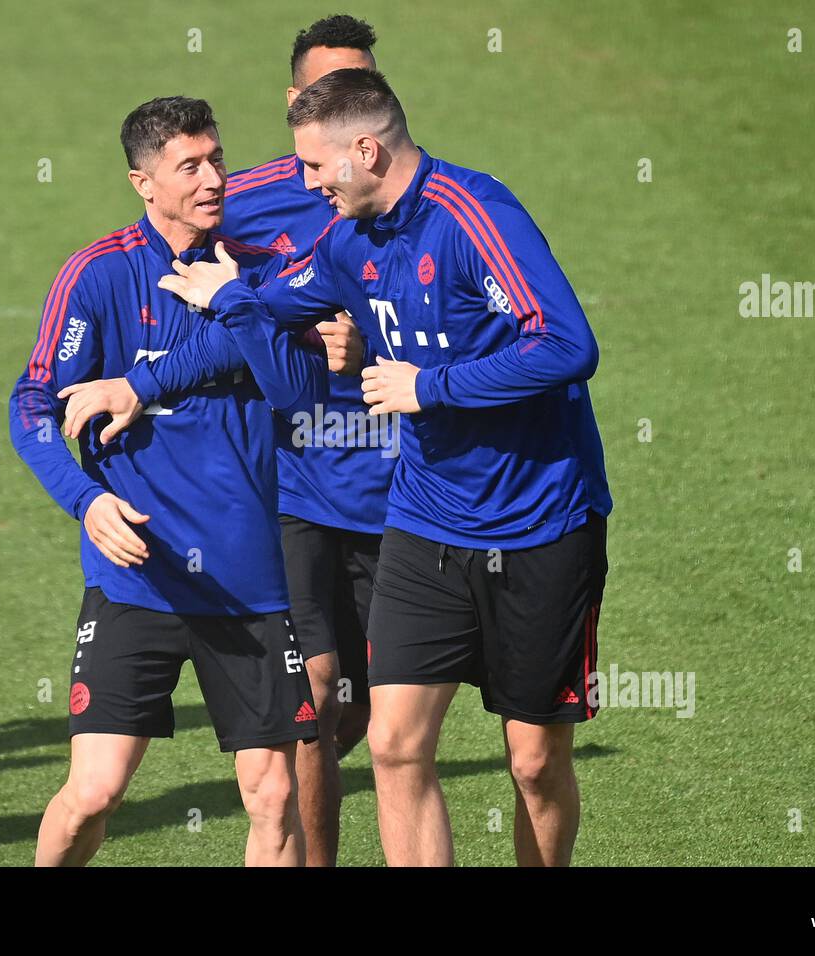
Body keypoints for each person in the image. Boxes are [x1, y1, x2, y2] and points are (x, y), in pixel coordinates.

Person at [165, 68, 612, 867]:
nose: (301, 184)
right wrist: (173, 348)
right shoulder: (345, 242)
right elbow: (268, 308)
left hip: (540, 524)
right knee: (396, 747)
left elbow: (568, 347)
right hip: (424, 523)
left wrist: (428, 388)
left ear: (365, 150)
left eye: (311, 166)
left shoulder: (477, 217)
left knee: (535, 764)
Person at [9, 96, 328, 867]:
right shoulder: (99, 276)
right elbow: (32, 405)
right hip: (136, 578)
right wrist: (86, 503)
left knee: (274, 799)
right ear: (143, 182)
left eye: (217, 158)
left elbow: (299, 390)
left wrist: (224, 317)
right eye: (190, 165)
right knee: (93, 793)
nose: (214, 177)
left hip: (249, 583)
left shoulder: (263, 275)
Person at [219, 13, 388, 867]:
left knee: (374, 714)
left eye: (364, 87)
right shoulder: (238, 204)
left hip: (396, 486)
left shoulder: (402, 200)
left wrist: (372, 339)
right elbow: (200, 328)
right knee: (316, 696)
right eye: (329, 89)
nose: (347, 105)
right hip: (290, 484)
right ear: (294, 102)